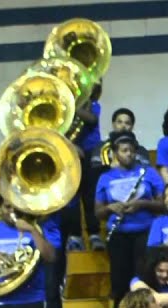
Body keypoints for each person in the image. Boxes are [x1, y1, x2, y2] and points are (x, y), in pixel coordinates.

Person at [96, 132, 165, 308]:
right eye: (124, 151)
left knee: (145, 284)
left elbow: (163, 204)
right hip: (119, 236)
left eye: (132, 151)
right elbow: (98, 212)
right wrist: (110, 208)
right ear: (115, 154)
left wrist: (143, 204)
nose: (129, 154)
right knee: (120, 287)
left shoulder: (149, 173)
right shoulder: (105, 178)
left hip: (145, 234)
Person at [64, 82, 104, 251]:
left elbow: (92, 119)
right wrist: (71, 146)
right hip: (69, 153)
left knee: (90, 196)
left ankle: (94, 234)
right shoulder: (61, 108)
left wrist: (71, 106)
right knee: (72, 198)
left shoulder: (93, 105)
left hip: (91, 154)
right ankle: (75, 236)